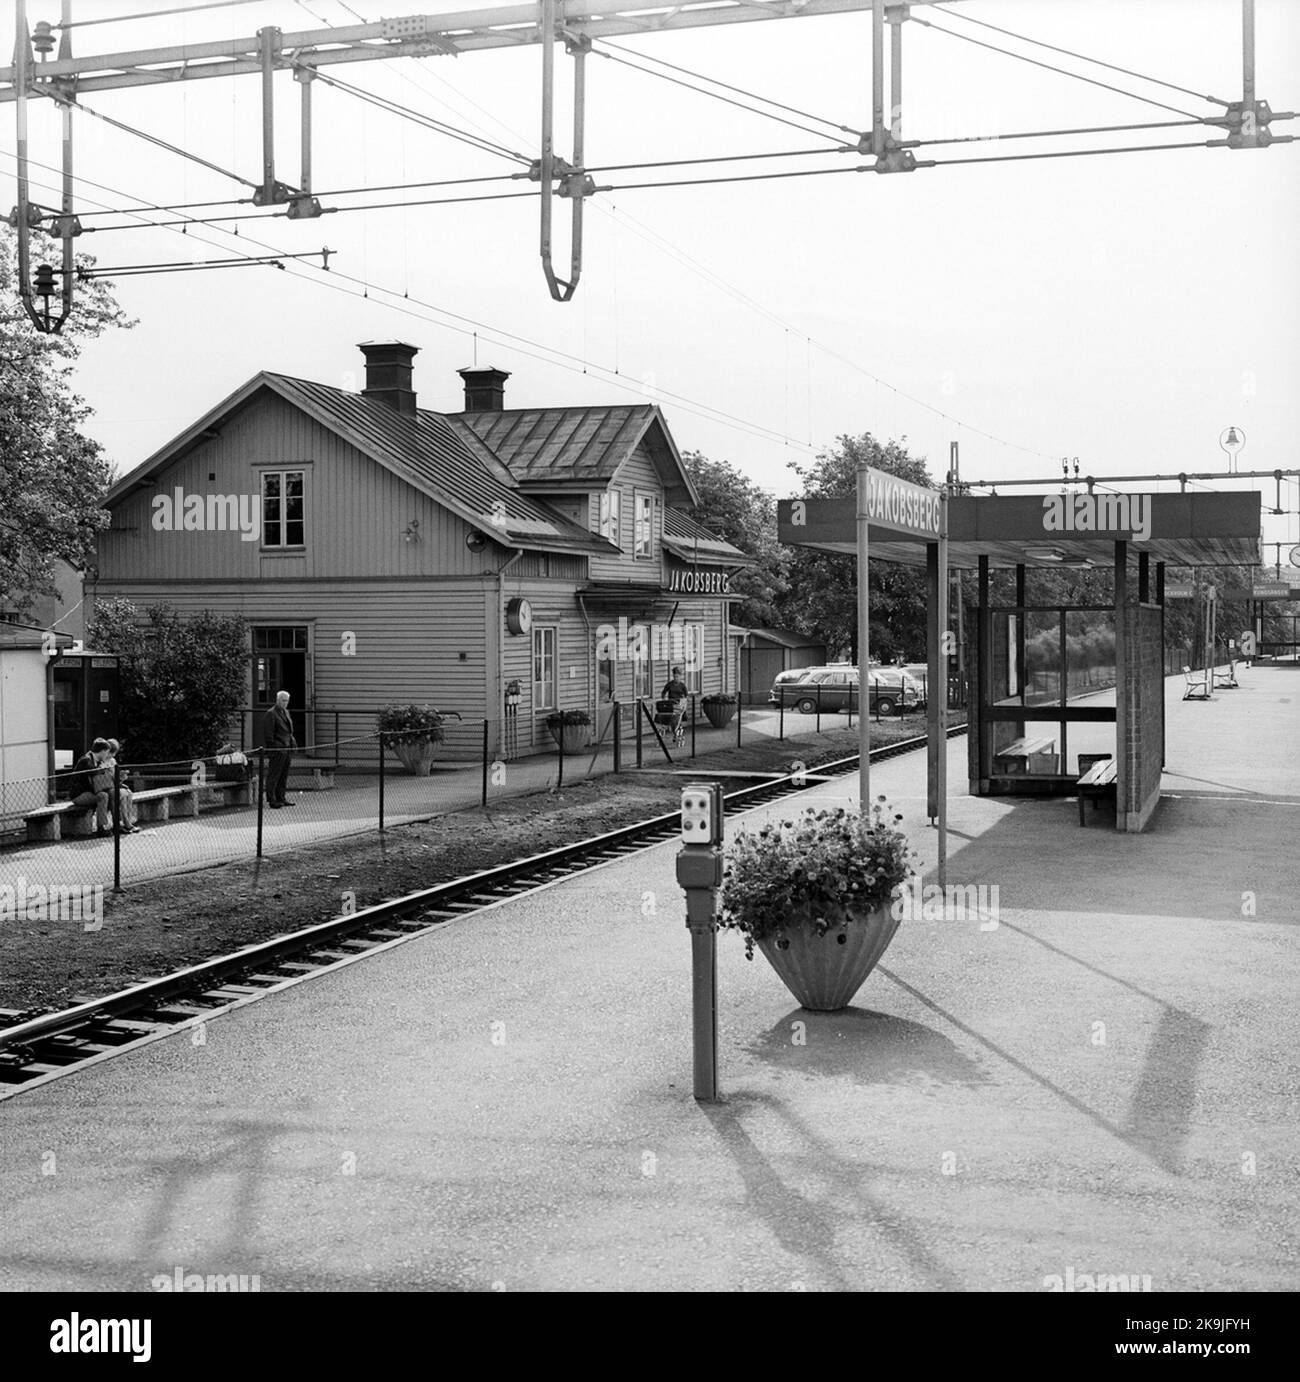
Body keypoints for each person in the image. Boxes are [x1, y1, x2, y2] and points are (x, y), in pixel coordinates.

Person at [68, 738, 111, 836]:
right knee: (103, 796)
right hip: (78, 795)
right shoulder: (86, 760)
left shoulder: (96, 761)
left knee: (108, 794)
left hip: (88, 793)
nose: (107, 755)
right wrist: (104, 770)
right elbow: (93, 773)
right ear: (102, 751)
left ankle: (115, 824)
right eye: (107, 752)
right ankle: (101, 828)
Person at [94, 739, 139, 832]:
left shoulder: (113, 761)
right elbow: (102, 779)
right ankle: (124, 823)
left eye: (113, 753)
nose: (112, 755)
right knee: (120, 794)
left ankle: (126, 821)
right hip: (105, 788)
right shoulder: (100, 762)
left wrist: (121, 776)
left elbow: (115, 778)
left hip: (113, 786)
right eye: (110, 753)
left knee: (128, 793)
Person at [263, 690, 297, 807]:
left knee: (283, 775)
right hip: (278, 748)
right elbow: (268, 734)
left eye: (287, 701)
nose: (285, 703)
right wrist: (274, 748)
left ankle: (281, 797)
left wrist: (292, 744)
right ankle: (272, 799)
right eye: (283, 700)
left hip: (287, 748)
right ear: (277, 700)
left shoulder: (286, 712)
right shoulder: (271, 713)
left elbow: (289, 731)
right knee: (274, 774)